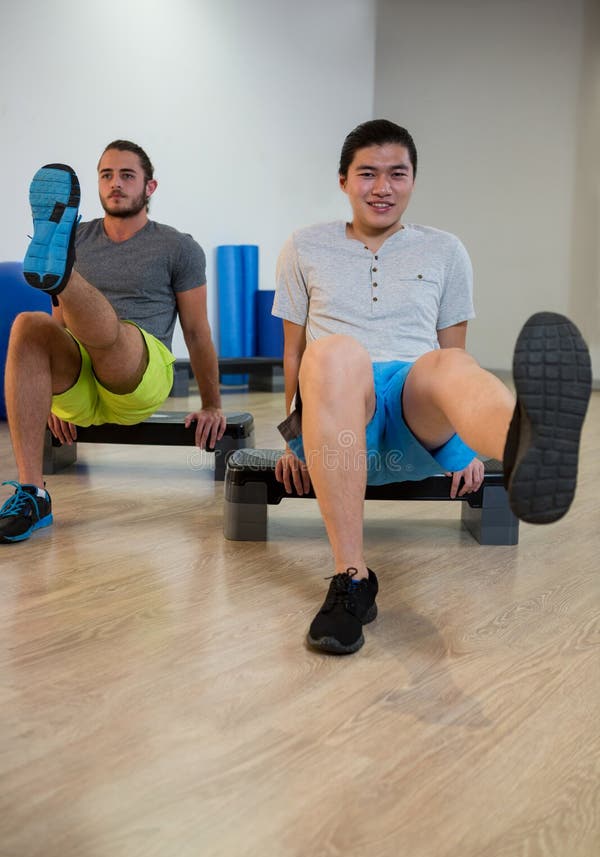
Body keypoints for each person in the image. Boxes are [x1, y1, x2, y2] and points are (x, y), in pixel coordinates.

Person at [272, 119, 592, 656]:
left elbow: (455, 355)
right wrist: (292, 439)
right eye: (368, 174)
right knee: (334, 352)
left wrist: (464, 443)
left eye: (397, 174)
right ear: (344, 181)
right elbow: (293, 353)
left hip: (414, 410)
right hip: (336, 407)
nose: (383, 187)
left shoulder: (446, 251)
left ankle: (516, 443)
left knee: (444, 366)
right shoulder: (304, 247)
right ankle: (352, 579)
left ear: (413, 180)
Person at [1, 139, 226, 543]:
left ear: (149, 187)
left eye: (127, 175)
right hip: (81, 380)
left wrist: (211, 404)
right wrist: (50, 398)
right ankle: (33, 494)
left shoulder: (179, 247)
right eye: (106, 175)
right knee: (29, 325)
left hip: (141, 373)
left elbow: (196, 331)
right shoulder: (79, 235)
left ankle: (62, 276)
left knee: (115, 334)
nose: (115, 183)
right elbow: (60, 322)